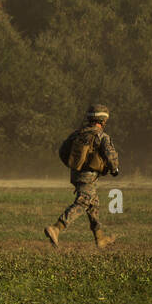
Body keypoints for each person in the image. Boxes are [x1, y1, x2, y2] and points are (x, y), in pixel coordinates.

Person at [44, 104, 119, 248]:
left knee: (93, 205)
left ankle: (100, 238)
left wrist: (73, 166)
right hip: (89, 176)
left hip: (76, 174)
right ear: (103, 121)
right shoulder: (101, 136)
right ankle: (56, 228)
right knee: (83, 202)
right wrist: (114, 169)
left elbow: (62, 151)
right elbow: (111, 156)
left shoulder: (77, 134)